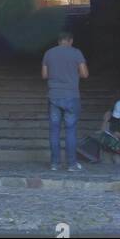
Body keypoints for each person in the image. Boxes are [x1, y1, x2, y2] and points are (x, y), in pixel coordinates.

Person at [41, 31, 88, 172]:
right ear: (70, 41)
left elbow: (44, 75)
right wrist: (73, 74)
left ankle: (55, 164)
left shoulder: (49, 53)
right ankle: (72, 164)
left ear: (58, 41)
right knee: (71, 131)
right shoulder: (76, 53)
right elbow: (85, 74)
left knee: (54, 131)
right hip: (71, 96)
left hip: (54, 96)